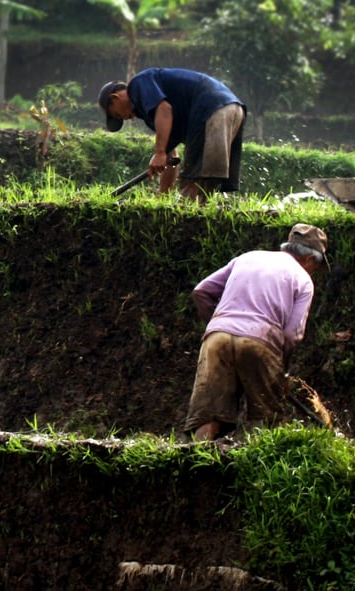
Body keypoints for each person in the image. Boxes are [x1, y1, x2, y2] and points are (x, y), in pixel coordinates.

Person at [183, 223, 328, 442]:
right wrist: (282, 372)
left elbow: (201, 291)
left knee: (208, 412)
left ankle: (198, 464)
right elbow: (292, 335)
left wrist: (220, 324)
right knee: (267, 416)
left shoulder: (247, 258)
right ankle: (260, 468)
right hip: (262, 342)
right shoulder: (303, 279)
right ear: (310, 260)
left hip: (217, 337)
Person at [98, 68, 246, 202]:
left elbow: (164, 108)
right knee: (208, 182)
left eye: (117, 114)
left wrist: (159, 151)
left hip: (211, 108)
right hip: (232, 108)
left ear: (115, 98)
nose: (123, 118)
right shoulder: (152, 113)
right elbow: (171, 159)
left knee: (191, 184)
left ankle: (185, 225)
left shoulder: (138, 85)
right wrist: (162, 197)